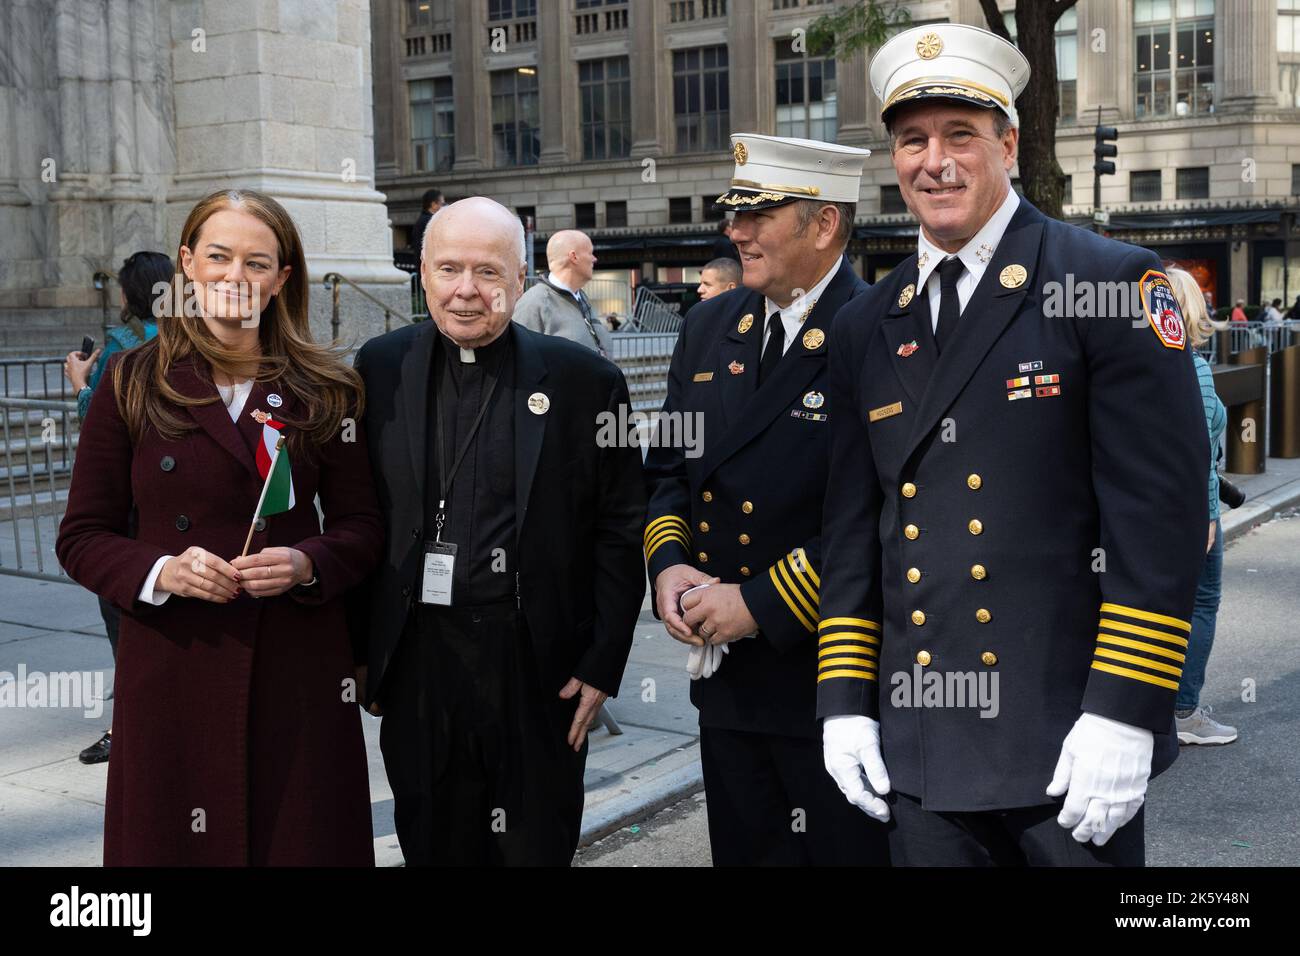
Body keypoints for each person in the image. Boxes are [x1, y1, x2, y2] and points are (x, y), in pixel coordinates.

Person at [817, 24, 1206, 866]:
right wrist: (843, 699)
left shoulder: (1105, 282)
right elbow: (854, 532)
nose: (936, 161)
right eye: (913, 140)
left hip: (1065, 742)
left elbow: (1159, 524)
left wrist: (1124, 711)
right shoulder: (864, 324)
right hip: (919, 749)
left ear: (1010, 144)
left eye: (961, 135)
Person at [55, 189, 383, 866]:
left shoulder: (327, 388)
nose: (236, 276)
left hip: (296, 670)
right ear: (187, 264)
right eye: (219, 256)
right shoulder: (130, 381)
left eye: (257, 262)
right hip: (174, 664)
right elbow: (82, 535)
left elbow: (361, 528)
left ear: (282, 278)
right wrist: (160, 571)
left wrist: (308, 563)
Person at [348, 197, 645, 866]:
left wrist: (603, 663)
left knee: (534, 848)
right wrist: (361, 652)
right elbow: (359, 515)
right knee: (435, 845)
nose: (465, 291)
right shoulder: (380, 368)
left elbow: (621, 528)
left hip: (536, 665)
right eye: (449, 268)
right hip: (420, 661)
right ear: (422, 274)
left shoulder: (587, 382)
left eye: (488, 272)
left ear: (520, 279)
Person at [644, 133, 889, 866]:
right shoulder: (710, 325)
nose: (735, 231)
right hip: (728, 685)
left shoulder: (880, 328)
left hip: (829, 678)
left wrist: (759, 603)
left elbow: (886, 512)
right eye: (733, 213)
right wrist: (670, 566)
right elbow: (668, 469)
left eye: (759, 214)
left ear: (823, 225)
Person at [62, 250, 172, 766]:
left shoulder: (122, 346)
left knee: (123, 610)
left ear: (129, 296)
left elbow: (102, 421)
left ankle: (125, 725)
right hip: (173, 500)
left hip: (128, 502)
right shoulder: (189, 338)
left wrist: (81, 383)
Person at [1165, 268, 1237, 746]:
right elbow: (1198, 448)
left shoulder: (1147, 367)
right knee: (1201, 603)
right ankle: (1185, 711)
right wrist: (1208, 513)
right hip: (1192, 509)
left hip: (1153, 508)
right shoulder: (1193, 366)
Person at [511, 229, 611, 357]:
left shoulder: (581, 297)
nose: (594, 259)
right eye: (590, 253)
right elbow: (521, 361)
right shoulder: (533, 304)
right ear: (574, 257)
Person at [409, 187, 445, 261]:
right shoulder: (430, 221)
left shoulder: (424, 219)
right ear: (433, 204)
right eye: (442, 203)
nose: (443, 207)